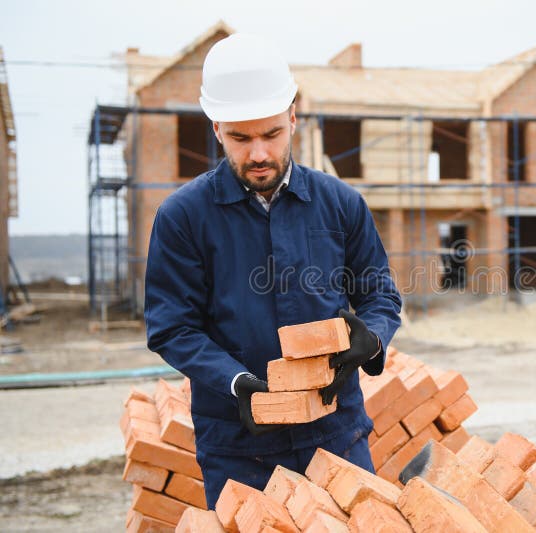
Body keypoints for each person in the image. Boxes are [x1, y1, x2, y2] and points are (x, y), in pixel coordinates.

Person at [144, 33, 402, 508]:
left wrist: (375, 336)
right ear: (217, 128)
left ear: (293, 119)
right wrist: (234, 380)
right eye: (241, 138)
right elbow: (172, 327)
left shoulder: (340, 204)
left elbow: (379, 295)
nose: (258, 153)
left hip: (336, 432)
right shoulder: (183, 218)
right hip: (238, 445)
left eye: (271, 134)